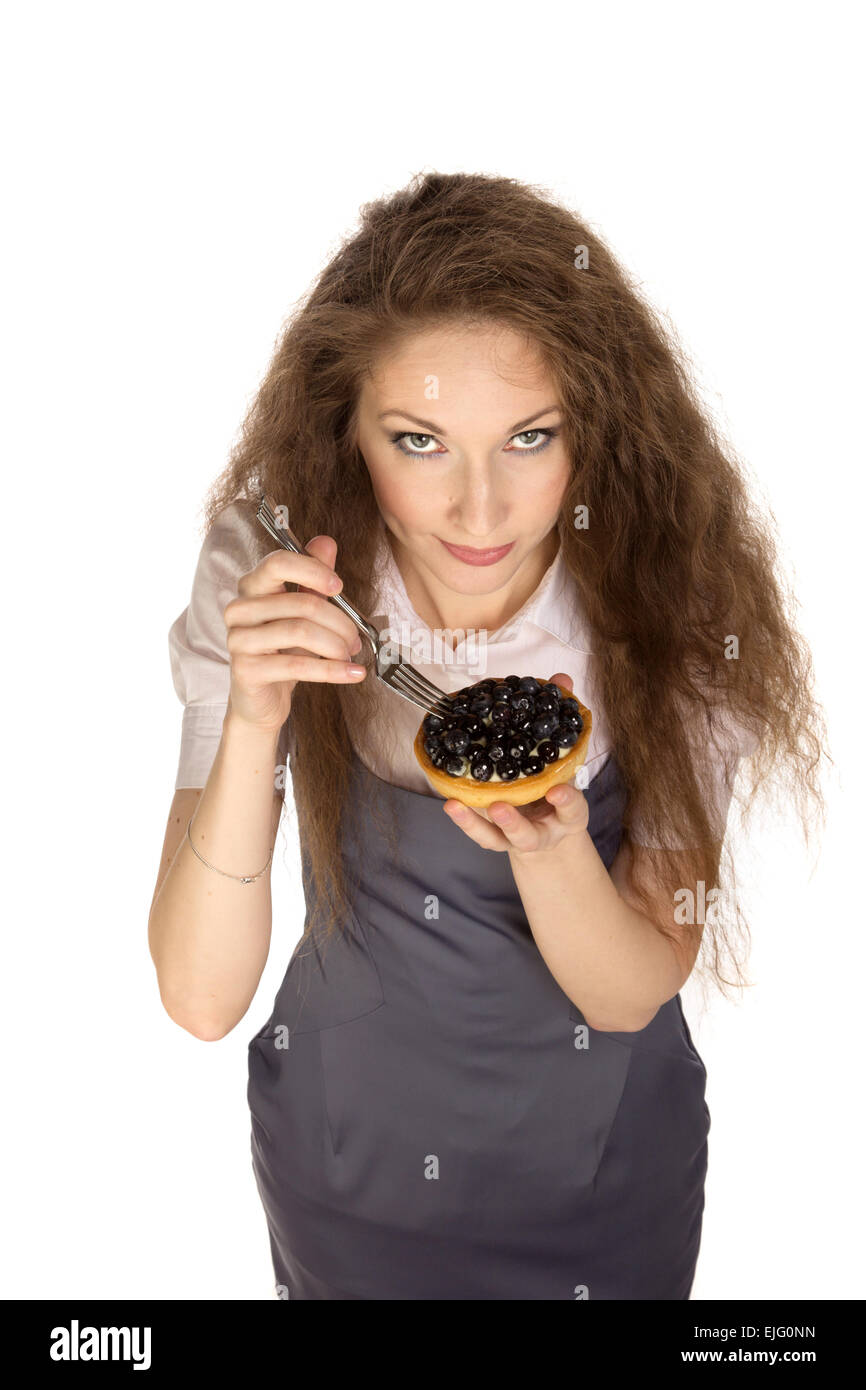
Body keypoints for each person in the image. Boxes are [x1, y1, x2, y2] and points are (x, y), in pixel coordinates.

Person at [148, 171, 827, 1300]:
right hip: (345, 1181)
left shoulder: (667, 593)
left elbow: (626, 993)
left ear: (595, 428)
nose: (477, 511)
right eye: (417, 441)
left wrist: (549, 839)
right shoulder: (270, 571)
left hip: (606, 1187)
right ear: (344, 429)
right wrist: (256, 714)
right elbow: (200, 997)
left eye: (528, 438)